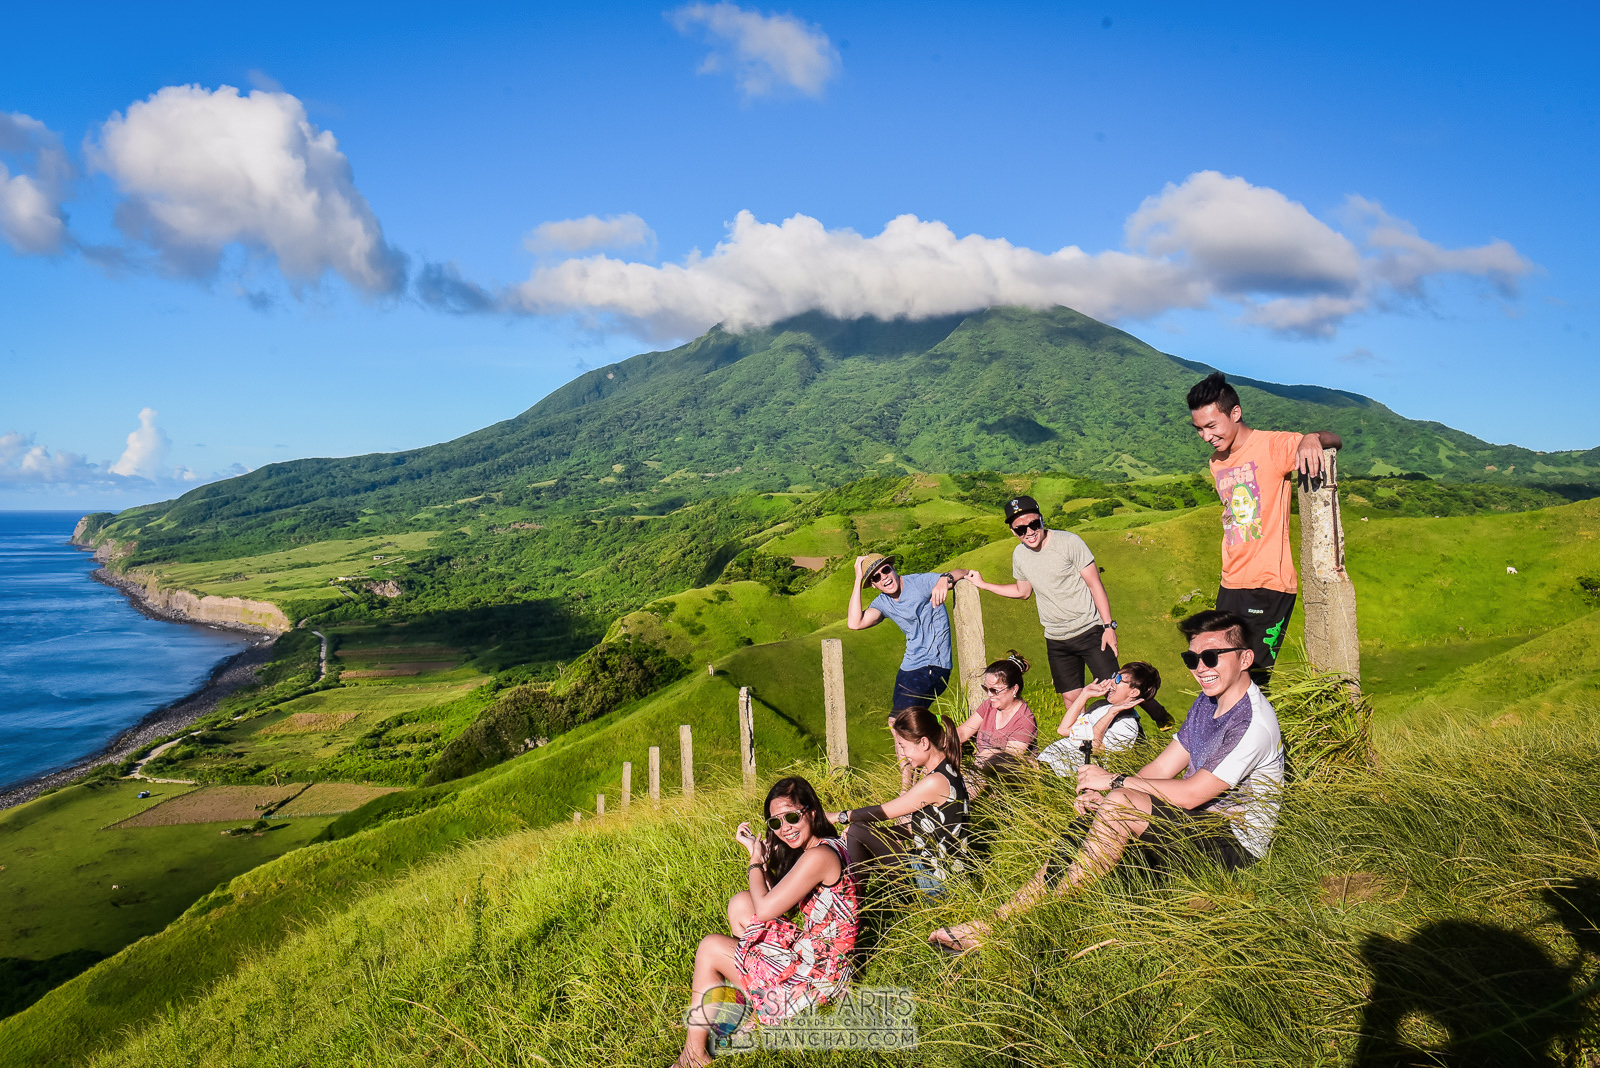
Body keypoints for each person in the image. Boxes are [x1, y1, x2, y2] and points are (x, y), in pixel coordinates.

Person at [929, 610, 1285, 954]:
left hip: (1234, 845)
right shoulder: (1206, 704)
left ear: (1245, 658)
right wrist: (1107, 788)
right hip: (1198, 826)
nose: (1200, 669)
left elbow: (1193, 794)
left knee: (1118, 801)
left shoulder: (1252, 722)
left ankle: (1024, 920)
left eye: (1211, 657)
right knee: (1102, 804)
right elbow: (1162, 766)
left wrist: (1113, 781)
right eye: (1192, 660)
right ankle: (1007, 914)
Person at [675, 777, 857, 1066]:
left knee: (710, 947)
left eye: (792, 817)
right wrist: (756, 855)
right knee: (741, 902)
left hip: (821, 978)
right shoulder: (825, 846)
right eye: (775, 823)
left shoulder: (819, 856)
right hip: (821, 956)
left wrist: (756, 862)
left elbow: (767, 909)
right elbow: (775, 900)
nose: (785, 828)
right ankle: (756, 1007)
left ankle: (694, 1056)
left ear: (811, 812)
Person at [1187, 372, 1342, 688]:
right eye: (1199, 429)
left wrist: (1310, 437)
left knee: (1251, 680)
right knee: (1219, 676)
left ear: (1235, 413)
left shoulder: (1272, 445)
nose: (1205, 436)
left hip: (1269, 584)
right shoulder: (1217, 462)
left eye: (1211, 426)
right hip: (1231, 581)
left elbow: (1334, 440)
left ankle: (1264, 737)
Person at [961, 494, 1118, 708]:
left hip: (1089, 630)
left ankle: (1135, 737)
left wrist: (1108, 626)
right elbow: (1022, 591)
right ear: (1013, 531)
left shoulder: (1069, 542)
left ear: (1042, 519)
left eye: (1034, 524)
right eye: (1020, 529)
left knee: (1114, 692)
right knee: (1071, 699)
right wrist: (984, 584)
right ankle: (1084, 742)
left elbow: (1094, 584)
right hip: (1056, 639)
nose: (1029, 532)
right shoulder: (1019, 554)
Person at [827, 706, 972, 898]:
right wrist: (877, 836)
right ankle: (855, 898)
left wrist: (839, 816)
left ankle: (853, 904)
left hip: (938, 882)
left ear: (924, 743)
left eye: (903, 746)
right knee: (860, 833)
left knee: (856, 830)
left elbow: (884, 811)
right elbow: (920, 829)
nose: (903, 754)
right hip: (942, 875)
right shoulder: (947, 770)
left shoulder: (935, 781)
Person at [847, 553, 957, 711]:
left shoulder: (919, 583)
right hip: (909, 667)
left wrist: (943, 578)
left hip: (934, 664)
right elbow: (854, 623)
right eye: (876, 577)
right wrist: (858, 579)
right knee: (898, 723)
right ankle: (941, 728)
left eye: (885, 570)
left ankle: (943, 730)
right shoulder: (883, 602)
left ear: (893, 568)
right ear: (873, 584)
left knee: (902, 718)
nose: (883, 578)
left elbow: (963, 572)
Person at [1038, 661, 1171, 777]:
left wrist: (1111, 713)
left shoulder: (1127, 726)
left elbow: (1092, 749)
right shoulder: (1101, 706)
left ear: (1133, 692)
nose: (1112, 681)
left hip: (1058, 773)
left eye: (1118, 679)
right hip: (1045, 760)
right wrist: (1084, 695)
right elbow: (1064, 729)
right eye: (1114, 676)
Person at [954, 652, 1038, 790]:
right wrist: (942, 745)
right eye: (986, 689)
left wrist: (974, 770)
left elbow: (1009, 760)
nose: (989, 695)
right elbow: (962, 732)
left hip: (1009, 780)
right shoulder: (989, 706)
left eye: (995, 690)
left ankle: (959, 803)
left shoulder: (1025, 720)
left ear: (1014, 689)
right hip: (979, 771)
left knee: (990, 756)